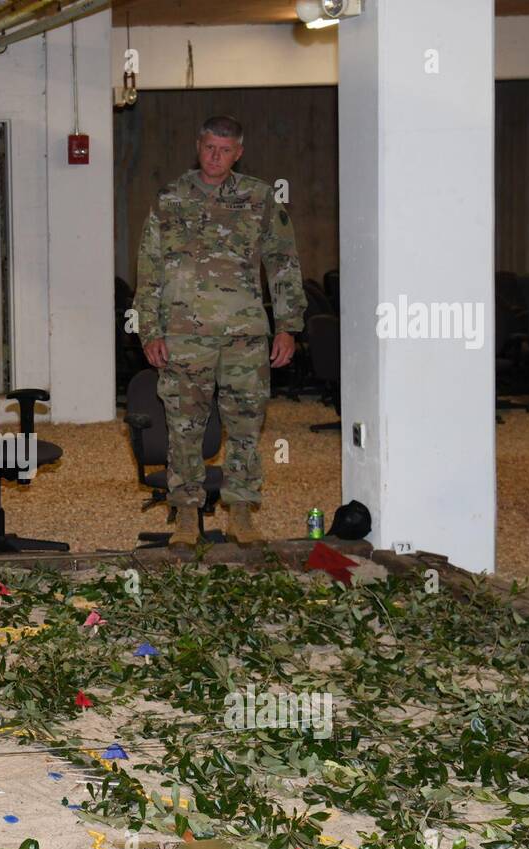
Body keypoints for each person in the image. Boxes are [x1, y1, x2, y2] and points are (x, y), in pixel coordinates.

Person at [135, 115, 306, 547]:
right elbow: (148, 269)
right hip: (182, 333)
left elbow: (284, 263)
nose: (215, 156)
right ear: (198, 146)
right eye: (209, 147)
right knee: (184, 426)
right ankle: (188, 514)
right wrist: (149, 330)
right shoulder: (170, 197)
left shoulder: (259, 197)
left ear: (239, 152)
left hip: (244, 335)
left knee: (246, 426)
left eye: (225, 150)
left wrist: (288, 327)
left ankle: (242, 513)